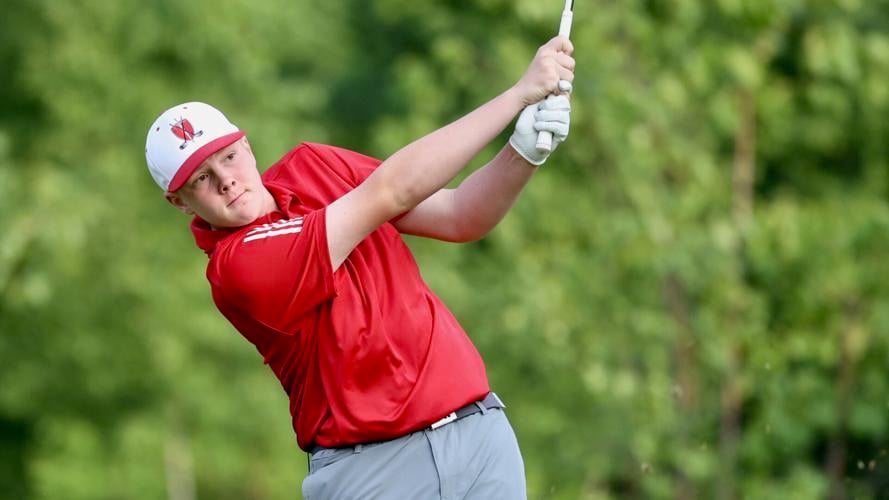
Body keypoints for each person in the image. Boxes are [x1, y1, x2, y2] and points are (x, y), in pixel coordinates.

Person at [145, 35, 575, 499]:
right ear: (180, 202)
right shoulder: (237, 267)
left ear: (247, 146)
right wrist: (516, 96)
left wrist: (522, 153)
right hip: (373, 471)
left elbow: (460, 216)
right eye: (202, 179)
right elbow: (392, 191)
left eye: (228, 157)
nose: (227, 181)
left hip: (479, 436)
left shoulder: (313, 166)